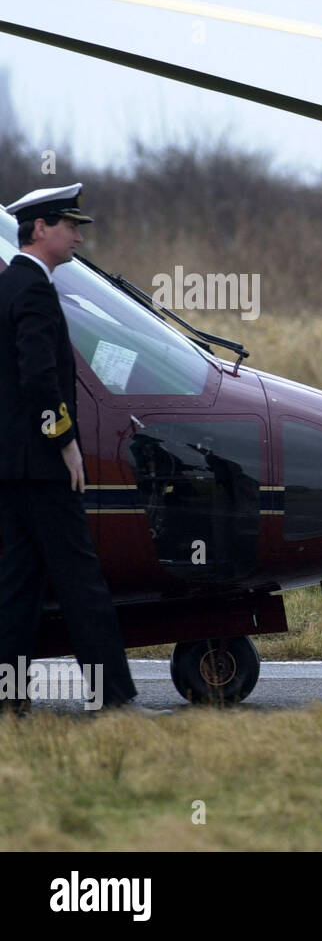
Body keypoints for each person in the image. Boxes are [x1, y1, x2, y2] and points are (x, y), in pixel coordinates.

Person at [0, 183, 163, 715]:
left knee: (18, 586)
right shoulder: (35, 290)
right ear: (40, 229)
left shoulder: (7, 286)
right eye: (69, 226)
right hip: (44, 469)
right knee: (81, 583)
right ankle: (113, 697)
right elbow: (39, 378)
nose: (77, 236)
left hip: (11, 467)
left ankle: (10, 699)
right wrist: (65, 442)